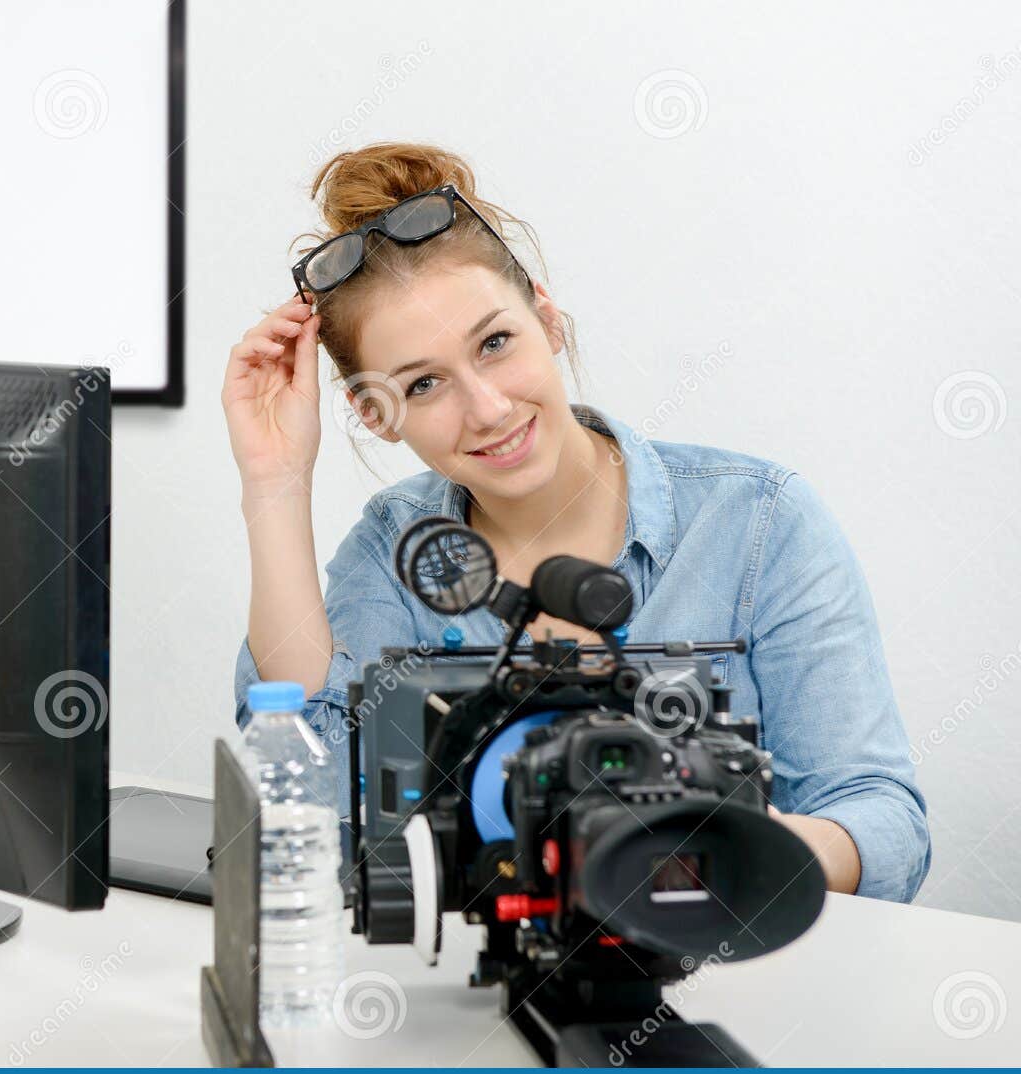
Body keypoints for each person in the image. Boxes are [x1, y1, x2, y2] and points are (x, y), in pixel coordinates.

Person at [222, 141, 931, 904]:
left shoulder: (757, 521)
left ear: (547, 319)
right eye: (424, 384)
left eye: (496, 343)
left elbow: (882, 820)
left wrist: (714, 857)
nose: (488, 409)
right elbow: (312, 804)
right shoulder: (397, 548)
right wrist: (276, 484)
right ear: (376, 415)